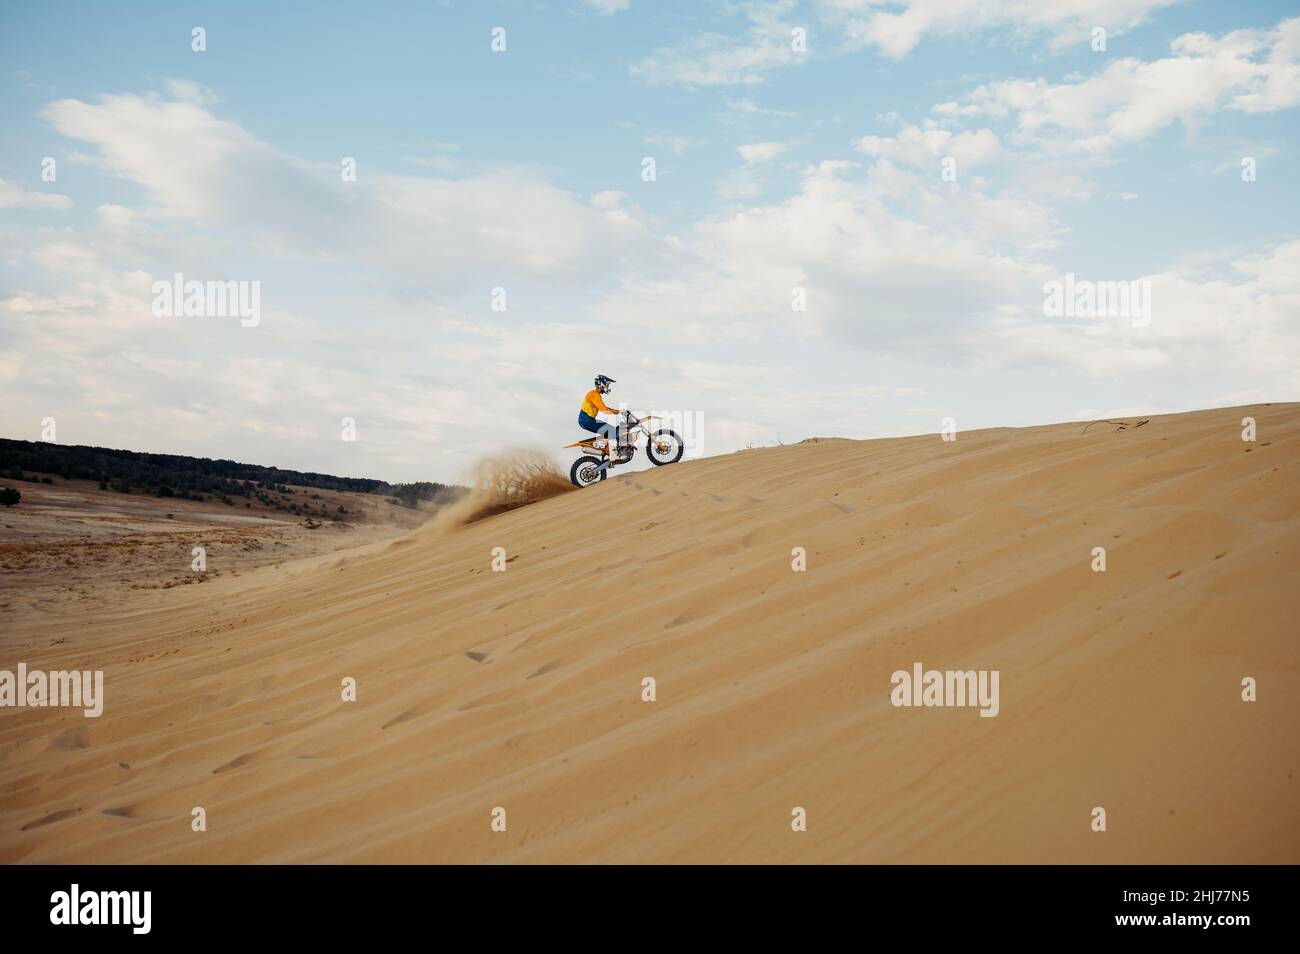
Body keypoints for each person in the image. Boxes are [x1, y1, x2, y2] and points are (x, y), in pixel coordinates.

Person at [578, 374, 629, 460]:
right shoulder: (594, 394)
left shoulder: (595, 394)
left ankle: (608, 450)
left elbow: (605, 408)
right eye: (607, 384)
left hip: (587, 420)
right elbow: (604, 410)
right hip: (587, 420)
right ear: (601, 384)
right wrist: (620, 412)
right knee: (611, 430)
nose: (607, 387)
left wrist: (619, 412)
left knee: (610, 431)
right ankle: (613, 455)